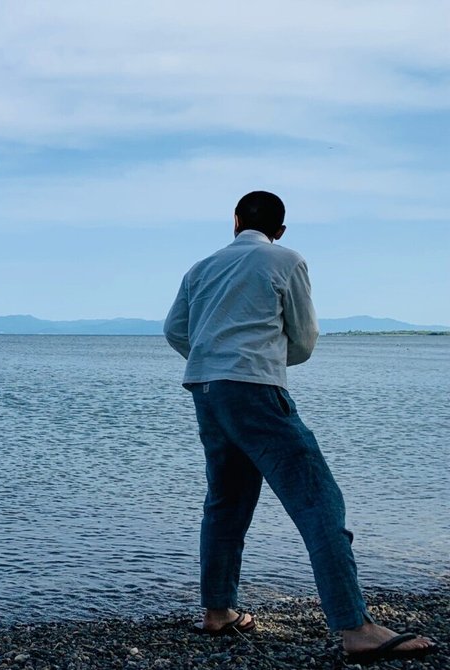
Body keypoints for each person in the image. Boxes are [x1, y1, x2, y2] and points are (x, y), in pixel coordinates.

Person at [164, 191, 437, 664]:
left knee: (226, 501)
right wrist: (264, 360)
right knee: (318, 503)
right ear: (281, 229)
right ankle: (355, 626)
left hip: (207, 390)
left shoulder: (201, 267)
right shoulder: (286, 259)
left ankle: (218, 611)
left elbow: (174, 330)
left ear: (234, 221)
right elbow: (305, 337)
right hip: (255, 388)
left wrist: (216, 360)